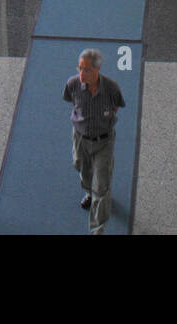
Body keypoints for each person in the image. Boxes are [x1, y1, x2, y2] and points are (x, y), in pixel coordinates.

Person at [63, 48, 125, 234]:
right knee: (80, 167)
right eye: (80, 68)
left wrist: (104, 121)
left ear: (97, 69)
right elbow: (71, 102)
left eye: (87, 70)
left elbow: (116, 106)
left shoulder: (111, 87)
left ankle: (97, 229)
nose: (82, 73)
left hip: (103, 142)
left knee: (102, 186)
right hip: (81, 137)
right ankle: (89, 192)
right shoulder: (72, 84)